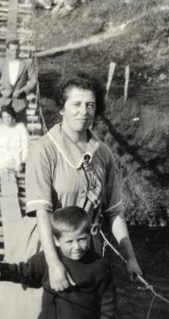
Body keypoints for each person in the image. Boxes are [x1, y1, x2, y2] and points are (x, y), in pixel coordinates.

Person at [25, 74, 143, 293]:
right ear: (62, 109)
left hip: (89, 253)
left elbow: (115, 213)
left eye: (90, 105)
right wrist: (54, 265)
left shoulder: (103, 153)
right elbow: (41, 212)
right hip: (55, 250)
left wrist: (130, 258)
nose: (84, 111)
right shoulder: (43, 150)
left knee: (89, 317)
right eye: (76, 104)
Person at [0, 44, 38, 115]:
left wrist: (22, 92)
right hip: (4, 102)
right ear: (8, 50)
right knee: (4, 125)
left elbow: (34, 80)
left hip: (20, 104)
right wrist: (1, 92)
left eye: (17, 50)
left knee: (20, 125)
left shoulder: (27, 63)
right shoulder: (2, 63)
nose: (15, 52)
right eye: (13, 50)